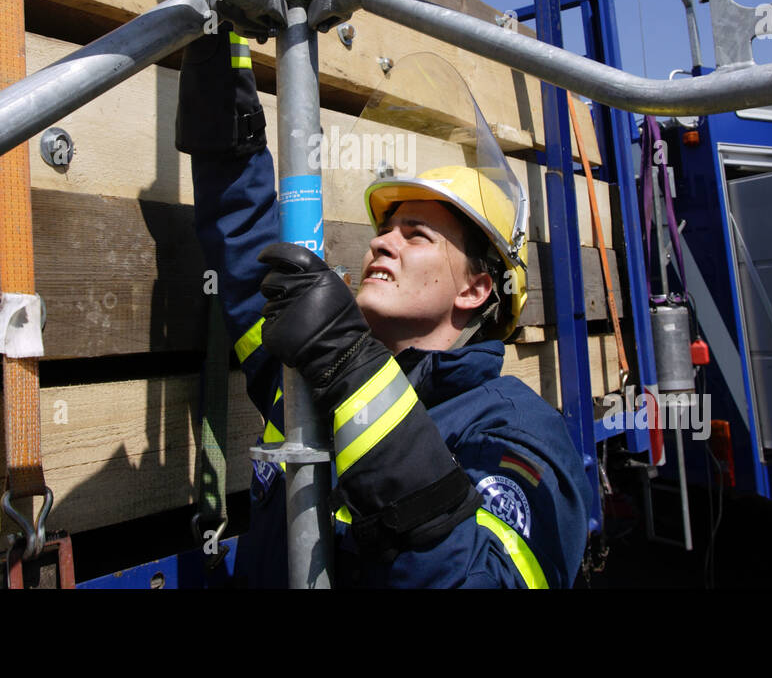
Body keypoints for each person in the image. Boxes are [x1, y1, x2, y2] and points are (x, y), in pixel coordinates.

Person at [177, 30, 591, 588]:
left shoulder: (513, 430)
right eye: (383, 229)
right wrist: (216, 57)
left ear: (474, 290)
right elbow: (248, 248)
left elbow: (481, 580)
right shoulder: (308, 377)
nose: (381, 243)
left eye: (415, 235)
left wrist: (352, 370)